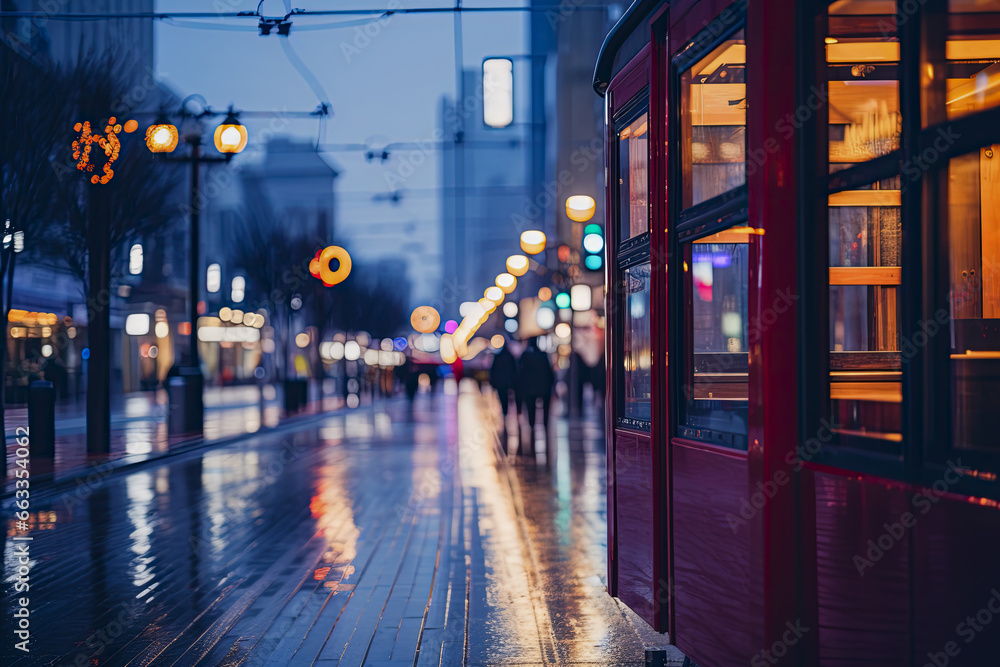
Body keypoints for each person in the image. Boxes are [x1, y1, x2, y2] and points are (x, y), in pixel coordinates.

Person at [517, 337, 555, 457]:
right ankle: (545, 425)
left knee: (531, 410)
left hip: (529, 389)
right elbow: (549, 372)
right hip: (543, 388)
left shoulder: (525, 356)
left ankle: (532, 425)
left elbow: (520, 373)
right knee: (545, 410)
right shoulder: (543, 355)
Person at [489, 341, 518, 444]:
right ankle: (506, 412)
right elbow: (514, 370)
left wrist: (493, 384)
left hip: (500, 384)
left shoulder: (498, 357)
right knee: (508, 398)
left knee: (502, 399)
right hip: (508, 384)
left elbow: (493, 371)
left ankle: (505, 413)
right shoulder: (510, 357)